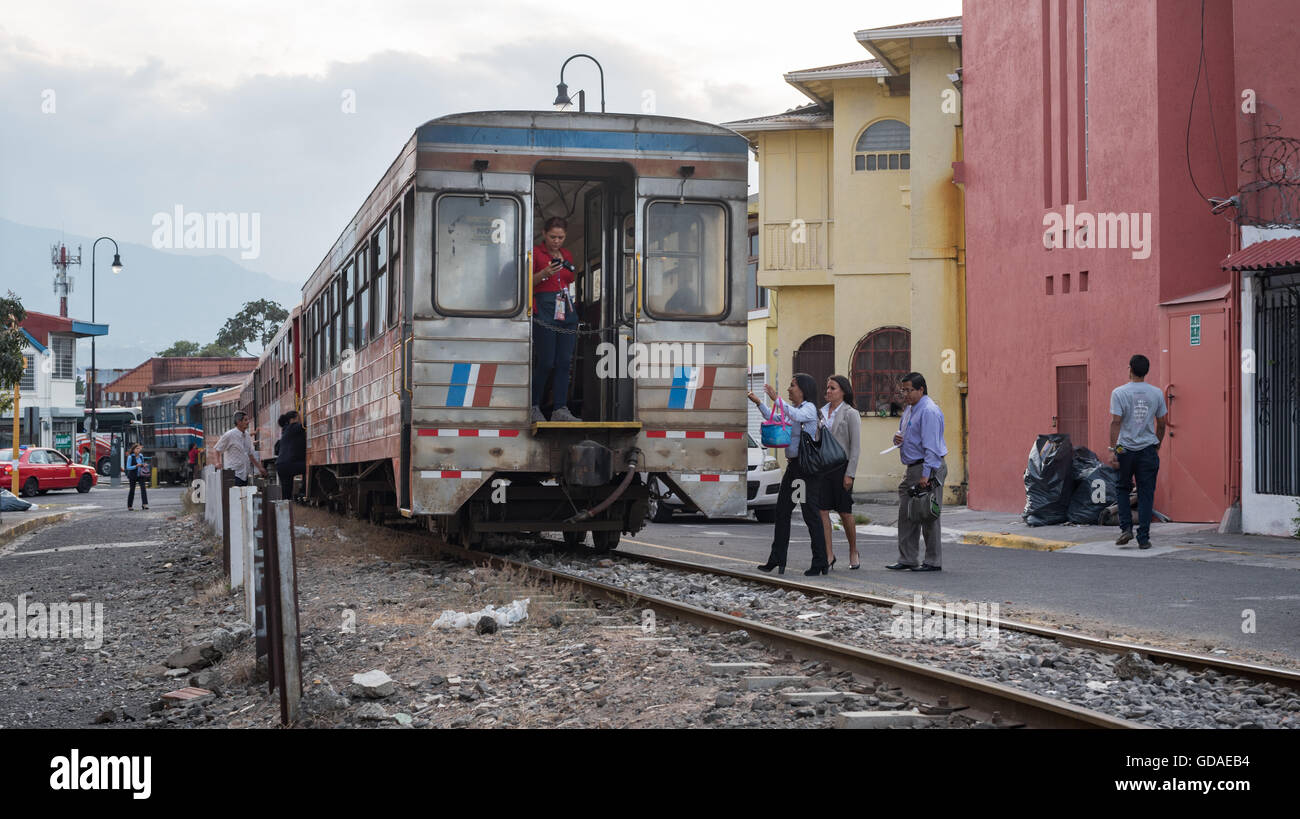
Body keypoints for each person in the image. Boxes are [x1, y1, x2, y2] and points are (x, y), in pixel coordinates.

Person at [748, 373, 829, 576]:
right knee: (782, 512)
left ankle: (820, 561)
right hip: (794, 469)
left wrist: (777, 399)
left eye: (792, 385)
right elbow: (775, 417)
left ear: (803, 389)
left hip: (805, 471)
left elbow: (795, 416)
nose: (789, 388)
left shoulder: (808, 408)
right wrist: (759, 402)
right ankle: (777, 557)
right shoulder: (795, 410)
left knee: (810, 514)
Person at [887, 372, 947, 572]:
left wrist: (926, 475)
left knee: (928, 513)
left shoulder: (929, 411)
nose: (905, 394)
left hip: (927, 466)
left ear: (921, 389)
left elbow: (932, 446)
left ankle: (932, 561)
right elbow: (907, 433)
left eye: (909, 390)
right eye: (903, 390)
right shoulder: (910, 410)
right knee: (907, 513)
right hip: (912, 467)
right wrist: (898, 438)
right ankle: (908, 557)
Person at [1106, 354, 1167, 549]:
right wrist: (1157, 445)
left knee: (1123, 488)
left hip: (1125, 449)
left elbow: (1116, 423)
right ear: (1146, 371)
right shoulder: (1157, 393)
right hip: (1148, 448)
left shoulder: (1119, 393)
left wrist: (1113, 450)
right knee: (1146, 492)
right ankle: (1144, 538)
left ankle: (1126, 529)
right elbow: (1162, 423)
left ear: (1130, 369)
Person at [531, 216, 580, 423]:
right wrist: (544, 273)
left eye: (560, 237)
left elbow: (571, 278)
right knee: (546, 361)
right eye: (553, 237)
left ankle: (560, 408)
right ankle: (533, 406)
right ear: (544, 234)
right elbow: (525, 282)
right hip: (544, 309)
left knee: (564, 362)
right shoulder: (535, 253)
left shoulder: (566, 254)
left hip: (565, 309)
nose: (556, 241)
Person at [818, 375, 861, 569]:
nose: (828, 391)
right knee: (822, 511)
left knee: (844, 512)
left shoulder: (850, 413)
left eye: (832, 388)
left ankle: (853, 550)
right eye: (827, 388)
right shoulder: (820, 413)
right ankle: (829, 554)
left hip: (841, 467)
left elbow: (856, 447)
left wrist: (850, 473)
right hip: (822, 468)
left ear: (843, 391)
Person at [213, 410, 266, 486]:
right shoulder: (229, 435)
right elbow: (217, 449)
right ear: (238, 422)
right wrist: (218, 462)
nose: (248, 422)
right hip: (234, 474)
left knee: (243, 496)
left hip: (245, 474)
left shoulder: (247, 436)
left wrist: (260, 467)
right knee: (236, 496)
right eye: (245, 420)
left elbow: (250, 455)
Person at [276, 410, 307, 502]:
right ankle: (303, 492)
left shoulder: (285, 430)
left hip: (281, 465)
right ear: (292, 420)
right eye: (298, 418)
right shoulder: (293, 427)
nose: (300, 420)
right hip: (289, 464)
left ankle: (285, 512)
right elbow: (305, 423)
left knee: (286, 495)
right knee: (309, 467)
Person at [125, 443, 149, 511]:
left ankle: (144, 504)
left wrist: (143, 465)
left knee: (143, 489)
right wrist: (136, 466)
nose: (138, 450)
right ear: (133, 449)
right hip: (133, 475)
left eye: (139, 448)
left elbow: (142, 464)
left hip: (141, 475)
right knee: (132, 490)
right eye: (137, 448)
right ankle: (130, 506)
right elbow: (128, 467)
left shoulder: (141, 456)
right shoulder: (130, 457)